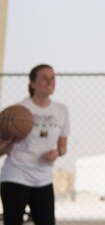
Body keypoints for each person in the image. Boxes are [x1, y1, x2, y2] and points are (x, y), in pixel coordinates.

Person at [0, 64, 70, 225]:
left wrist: (57, 153)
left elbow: (63, 146)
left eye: (52, 77)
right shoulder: (16, 112)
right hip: (16, 174)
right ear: (32, 83)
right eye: (44, 78)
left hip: (43, 178)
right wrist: (8, 143)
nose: (50, 81)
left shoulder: (61, 110)